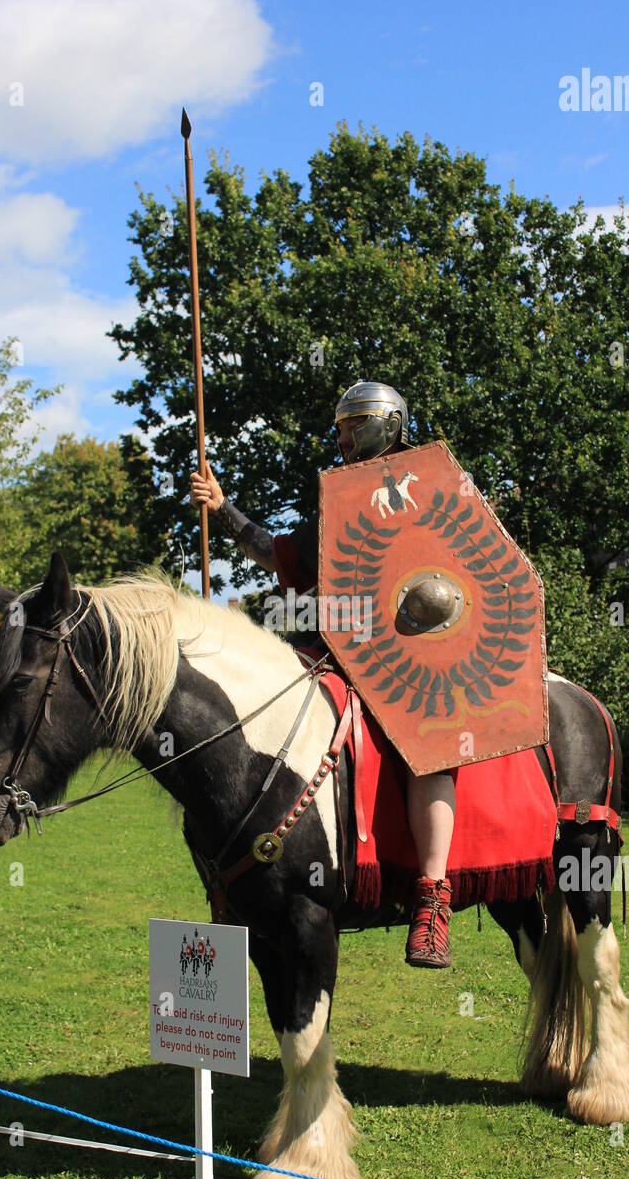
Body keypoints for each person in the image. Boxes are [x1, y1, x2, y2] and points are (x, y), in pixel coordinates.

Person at [189, 381, 455, 969]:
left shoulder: (425, 490)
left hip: (406, 657)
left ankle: (432, 898)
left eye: (350, 425)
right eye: (339, 426)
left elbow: (444, 579)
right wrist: (224, 509)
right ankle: (239, 879)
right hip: (332, 648)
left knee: (430, 741)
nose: (339, 437)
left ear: (384, 424)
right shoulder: (339, 498)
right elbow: (283, 554)